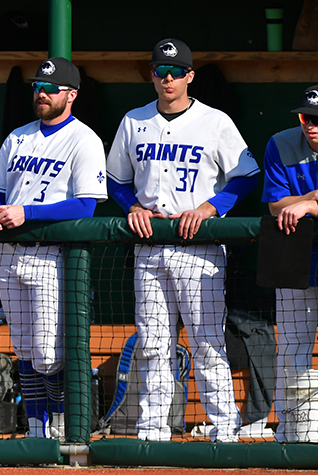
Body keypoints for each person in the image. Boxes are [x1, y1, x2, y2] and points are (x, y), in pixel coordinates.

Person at [106, 38, 259, 442]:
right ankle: (152, 429)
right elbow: (115, 180)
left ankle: (224, 429)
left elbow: (246, 175)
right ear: (152, 76)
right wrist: (133, 207)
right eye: (160, 71)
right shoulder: (134, 121)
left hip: (200, 248)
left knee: (207, 342)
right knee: (154, 344)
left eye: (176, 72)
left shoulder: (215, 121)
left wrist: (208, 209)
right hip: (151, 246)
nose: (168, 78)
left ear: (190, 76)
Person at [0, 57, 107, 439]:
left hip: (53, 257)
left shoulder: (84, 139)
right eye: (38, 87)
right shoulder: (18, 136)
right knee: (25, 352)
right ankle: (37, 430)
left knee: (50, 355)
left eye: (50, 88)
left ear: (71, 94)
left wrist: (27, 212)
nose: (41, 93)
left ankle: (66, 423)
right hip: (11, 255)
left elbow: (86, 204)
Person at [261, 84, 318, 443]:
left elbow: (294, 205)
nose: (310, 125)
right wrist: (311, 197)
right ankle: (294, 433)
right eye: (306, 117)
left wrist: (310, 204)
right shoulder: (280, 143)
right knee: (293, 347)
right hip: (296, 259)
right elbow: (275, 206)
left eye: (317, 119)